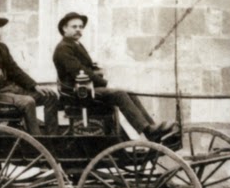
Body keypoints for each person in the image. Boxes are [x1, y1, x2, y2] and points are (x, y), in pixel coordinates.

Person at [51, 11, 175, 144]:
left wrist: (96, 70)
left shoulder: (75, 45)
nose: (78, 30)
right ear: (64, 28)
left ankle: (151, 129)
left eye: (81, 27)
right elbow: (79, 71)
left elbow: (86, 68)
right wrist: (105, 83)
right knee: (119, 94)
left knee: (128, 93)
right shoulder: (63, 48)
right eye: (74, 27)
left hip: (86, 89)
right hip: (77, 94)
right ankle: (147, 129)